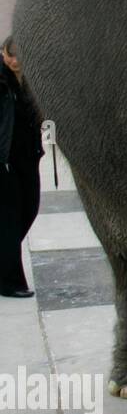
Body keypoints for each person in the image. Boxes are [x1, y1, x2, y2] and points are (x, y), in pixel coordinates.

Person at [1, 36, 43, 299]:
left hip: (27, 156)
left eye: (18, 56)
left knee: (30, 208)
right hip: (3, 160)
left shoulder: (30, 80)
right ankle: (10, 282)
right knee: (9, 220)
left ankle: (4, 264)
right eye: (9, 55)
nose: (14, 61)